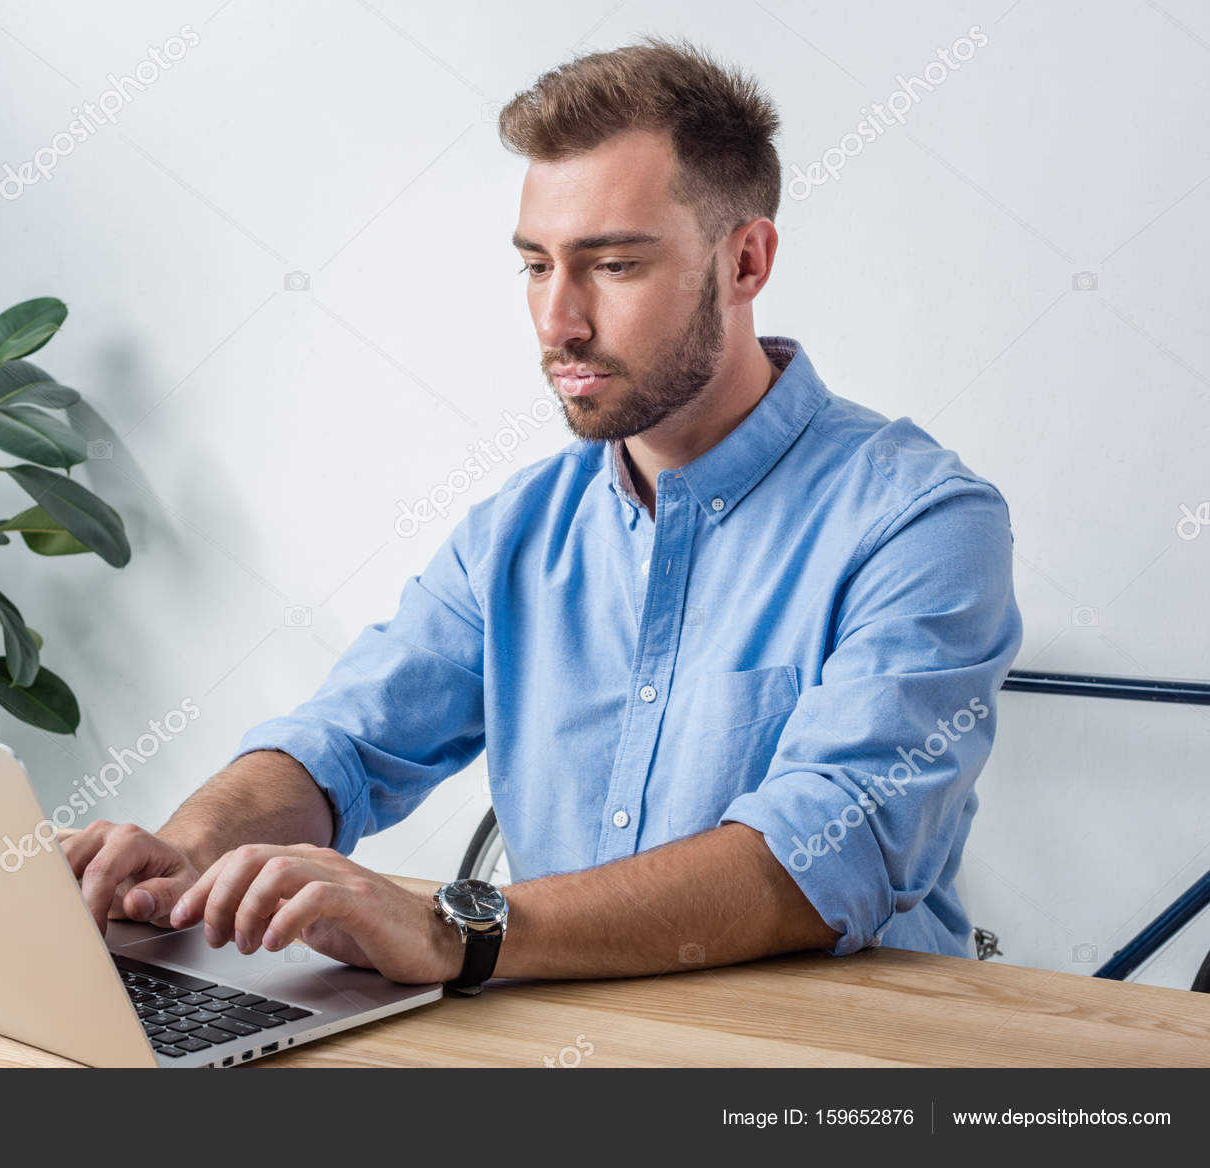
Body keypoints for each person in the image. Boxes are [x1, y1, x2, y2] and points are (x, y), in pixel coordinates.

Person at [64, 37, 1022, 990]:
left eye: (612, 266)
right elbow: (343, 745)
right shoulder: (515, 534)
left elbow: (824, 852)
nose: (557, 321)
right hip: (560, 1041)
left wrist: (458, 930)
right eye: (535, 265)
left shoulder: (922, 521)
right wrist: (185, 856)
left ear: (746, 260)